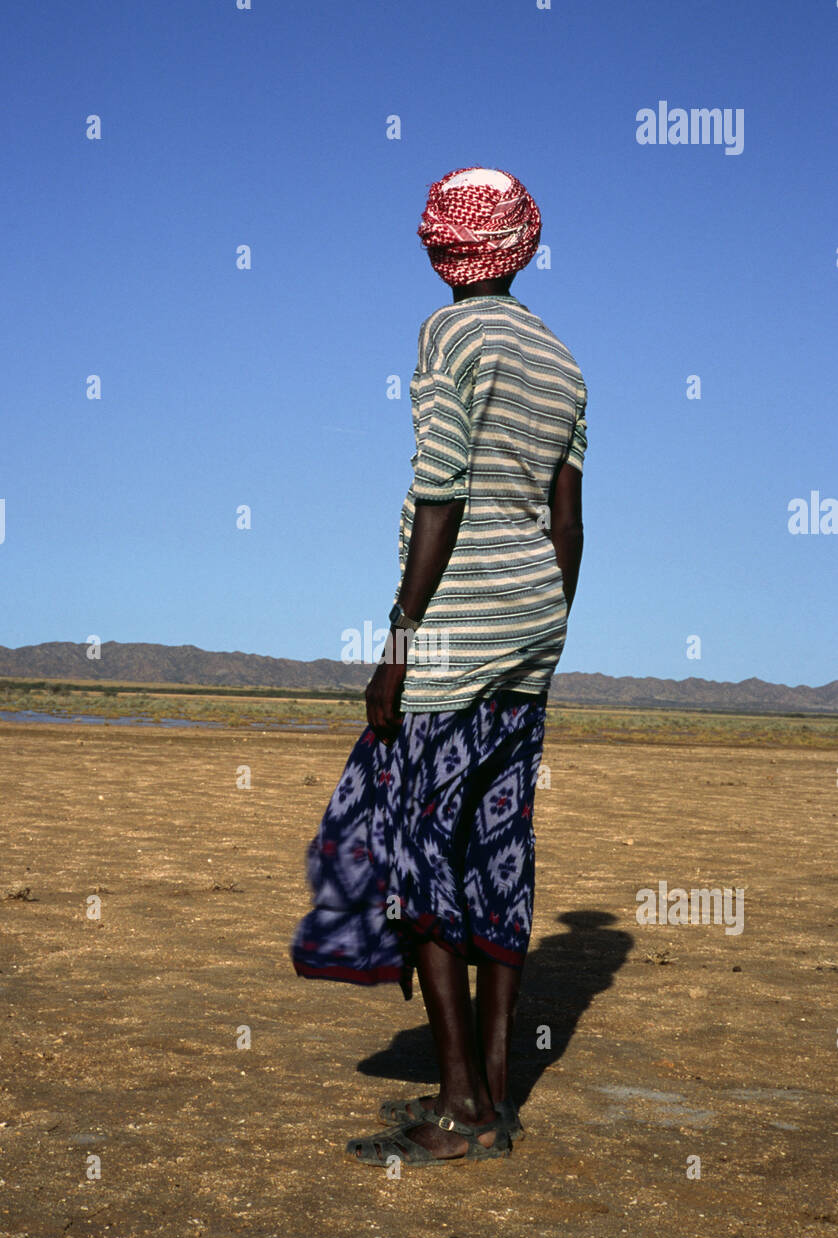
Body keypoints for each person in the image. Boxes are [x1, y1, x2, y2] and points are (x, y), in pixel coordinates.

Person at [290, 166, 588, 1166]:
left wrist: (398, 640)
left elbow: (441, 491)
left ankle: (459, 1107)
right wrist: (542, 627)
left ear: (440, 250)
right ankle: (495, 1094)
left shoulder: (446, 335)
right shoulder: (561, 359)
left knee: (424, 865)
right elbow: (566, 519)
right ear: (521, 246)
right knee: (499, 857)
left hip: (455, 636)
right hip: (531, 634)